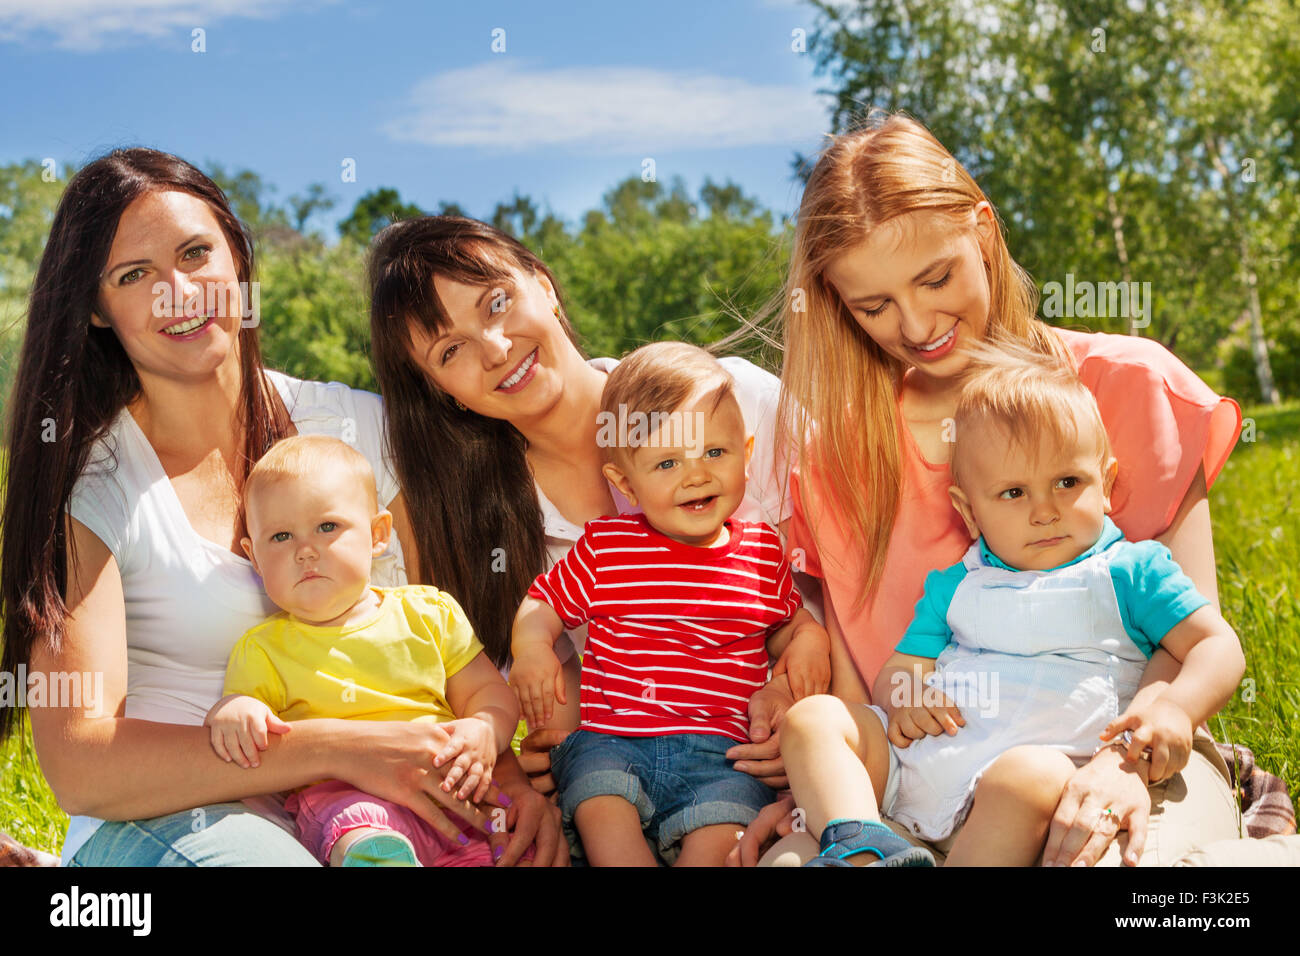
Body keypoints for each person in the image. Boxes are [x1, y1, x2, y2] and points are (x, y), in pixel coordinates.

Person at [0, 148, 562, 867]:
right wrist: (340, 748)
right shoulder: (98, 484)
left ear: (237, 255)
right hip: (175, 818)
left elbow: (436, 652)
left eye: (195, 253)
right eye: (134, 276)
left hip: (379, 813)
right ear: (96, 310)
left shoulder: (360, 429)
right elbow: (81, 765)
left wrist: (508, 784)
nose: (178, 291)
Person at [730, 111, 1245, 867]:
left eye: (936, 277)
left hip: (1117, 754)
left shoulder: (1128, 385)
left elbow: (1192, 639)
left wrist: (1122, 764)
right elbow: (854, 697)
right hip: (924, 781)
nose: (917, 324)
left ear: (984, 229)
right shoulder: (839, 455)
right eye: (873, 306)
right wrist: (822, 802)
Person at [367, 217, 809, 796]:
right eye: (452, 350)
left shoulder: (735, 398)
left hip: (781, 773)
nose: (496, 349)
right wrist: (517, 767)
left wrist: (810, 754)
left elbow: (844, 602)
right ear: (439, 389)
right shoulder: (472, 527)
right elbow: (482, 700)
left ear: (544, 285)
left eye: (497, 303)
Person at [783, 340, 1244, 867]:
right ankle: (862, 846)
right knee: (814, 720)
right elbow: (902, 668)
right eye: (1013, 493)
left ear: (1107, 483)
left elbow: (1216, 644)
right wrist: (903, 697)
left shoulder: (1130, 571)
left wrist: (1173, 709)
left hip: (1031, 790)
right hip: (923, 766)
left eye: (1067, 482)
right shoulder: (956, 584)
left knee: (1028, 775)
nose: (1045, 511)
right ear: (969, 511)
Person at [509, 343, 830, 865]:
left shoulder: (759, 550)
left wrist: (810, 639)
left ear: (746, 453)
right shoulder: (607, 547)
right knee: (599, 802)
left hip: (721, 755)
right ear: (625, 483)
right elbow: (542, 603)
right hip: (614, 740)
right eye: (666, 462)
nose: (696, 475)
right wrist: (532, 647)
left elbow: (786, 622)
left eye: (714, 453)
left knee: (722, 829)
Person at [206, 435, 523, 867]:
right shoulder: (263, 649)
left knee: (502, 849)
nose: (306, 550)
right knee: (355, 824)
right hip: (348, 797)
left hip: (452, 796)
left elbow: (487, 691)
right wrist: (234, 709)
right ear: (254, 558)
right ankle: (378, 859)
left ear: (378, 535)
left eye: (327, 526)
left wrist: (485, 728)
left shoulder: (428, 613)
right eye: (281, 536)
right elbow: (246, 727)